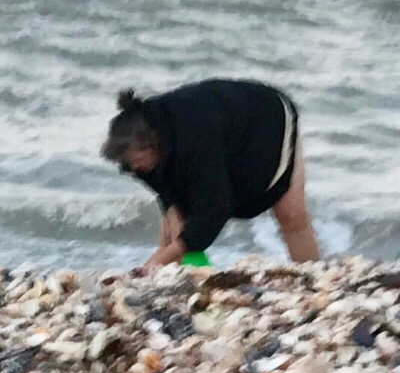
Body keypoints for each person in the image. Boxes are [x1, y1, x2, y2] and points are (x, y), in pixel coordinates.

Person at [101, 79, 319, 270]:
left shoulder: (196, 141)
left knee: (291, 213)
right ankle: (169, 280)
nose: (135, 169)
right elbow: (159, 181)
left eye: (138, 162)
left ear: (154, 142)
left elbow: (214, 210)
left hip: (268, 117)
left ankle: (315, 277)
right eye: (130, 166)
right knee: (177, 220)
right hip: (221, 128)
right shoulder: (145, 141)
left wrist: (159, 258)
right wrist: (170, 207)